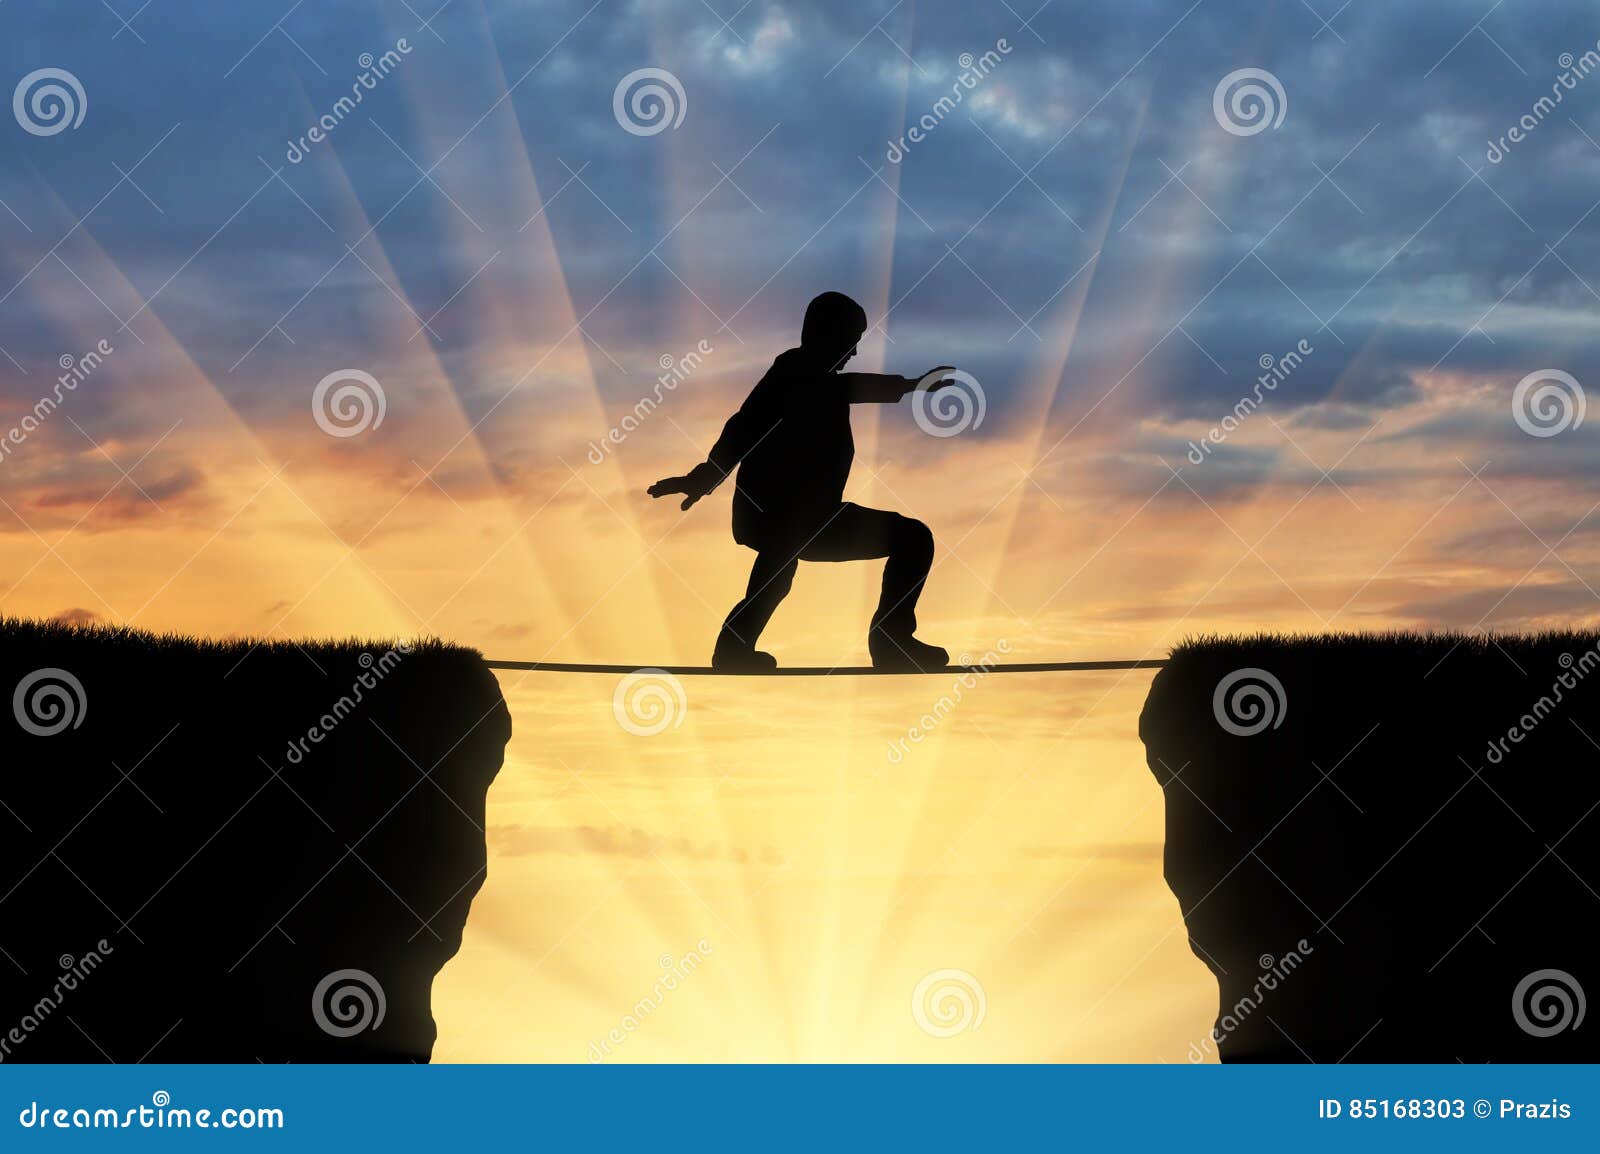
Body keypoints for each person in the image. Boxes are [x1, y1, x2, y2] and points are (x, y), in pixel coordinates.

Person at [649, 291, 958, 672]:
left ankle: (890, 639)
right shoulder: (791, 376)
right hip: (771, 516)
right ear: (828, 335)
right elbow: (742, 428)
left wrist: (913, 385)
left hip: (817, 519)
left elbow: (850, 387)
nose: (854, 353)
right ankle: (734, 648)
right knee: (782, 556)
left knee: (912, 538)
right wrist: (704, 477)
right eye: (851, 342)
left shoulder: (824, 383)